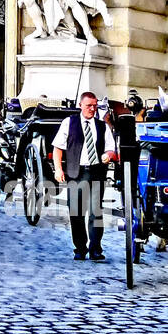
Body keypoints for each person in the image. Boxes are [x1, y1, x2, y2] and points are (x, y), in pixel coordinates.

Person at [51, 91, 118, 261]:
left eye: (95, 106)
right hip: (76, 173)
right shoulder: (69, 123)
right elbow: (58, 148)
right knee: (77, 213)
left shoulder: (102, 126)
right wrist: (58, 169)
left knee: (96, 212)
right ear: (80, 105)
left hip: (96, 172)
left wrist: (108, 155)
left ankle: (96, 248)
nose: (92, 109)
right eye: (89, 105)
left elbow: (112, 148)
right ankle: (80, 248)